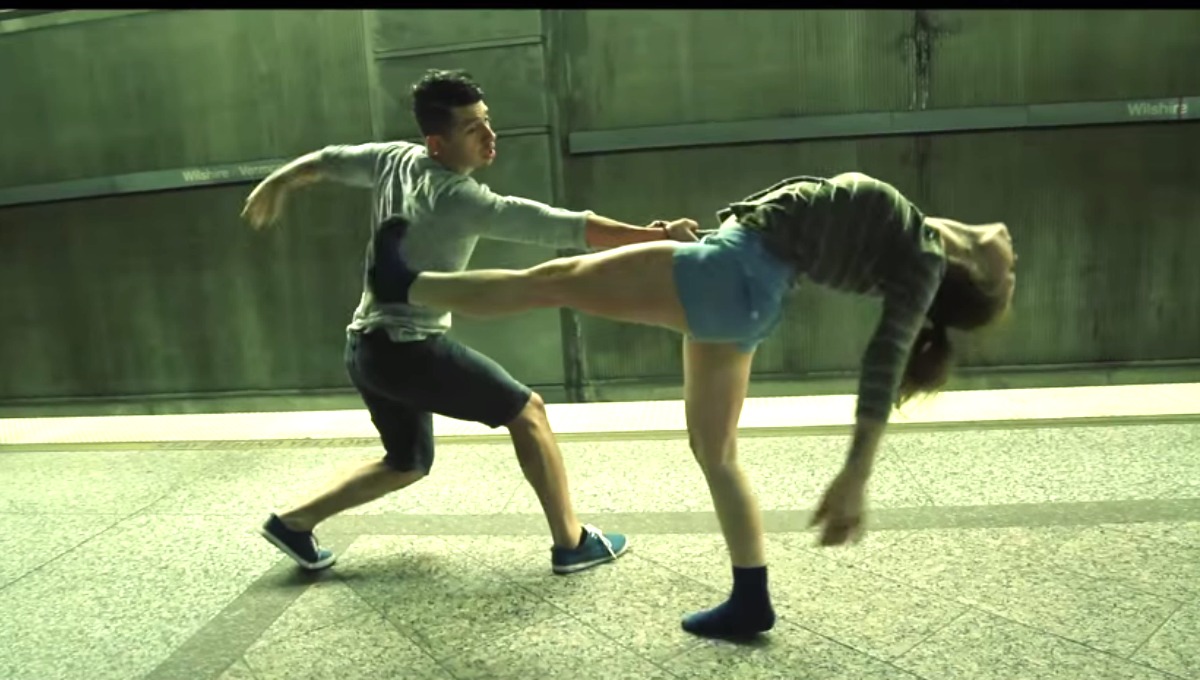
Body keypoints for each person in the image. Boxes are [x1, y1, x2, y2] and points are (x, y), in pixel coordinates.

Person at [367, 171, 1017, 640]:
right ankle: (750, 599)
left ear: (961, 275)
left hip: (729, 272)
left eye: (999, 268)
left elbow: (884, 363)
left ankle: (405, 285)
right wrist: (987, 252)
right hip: (748, 295)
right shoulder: (919, 239)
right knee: (716, 451)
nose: (998, 246)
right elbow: (968, 233)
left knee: (551, 282)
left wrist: (855, 474)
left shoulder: (922, 262)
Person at [239, 69, 700, 576]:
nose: (489, 136)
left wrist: (279, 180)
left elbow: (327, 161)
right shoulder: (458, 197)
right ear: (437, 143)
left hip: (366, 348)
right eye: (472, 129)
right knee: (528, 412)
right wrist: (658, 236)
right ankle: (571, 543)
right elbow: (561, 226)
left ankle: (293, 523)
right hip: (409, 349)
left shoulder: (393, 159)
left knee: (407, 462)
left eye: (487, 121)